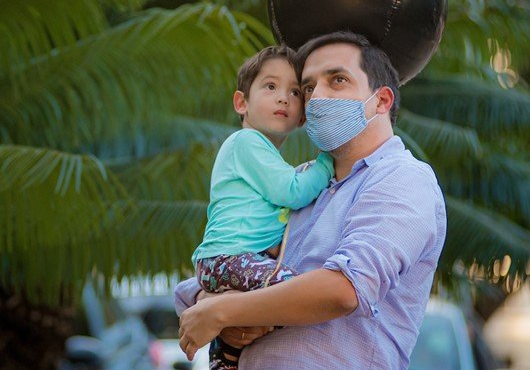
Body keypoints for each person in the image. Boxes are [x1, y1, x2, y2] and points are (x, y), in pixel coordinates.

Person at [176, 31, 447, 370]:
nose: (317, 96)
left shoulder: (402, 178)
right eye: (307, 88)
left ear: (382, 101)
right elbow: (225, 264)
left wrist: (223, 312)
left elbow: (345, 289)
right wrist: (212, 304)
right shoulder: (302, 179)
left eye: (337, 80)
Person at [192, 45, 335, 370]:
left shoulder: (266, 157)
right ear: (241, 102)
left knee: (263, 315)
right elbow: (293, 191)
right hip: (227, 259)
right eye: (270, 86)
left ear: (302, 114)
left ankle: (225, 357)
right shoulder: (247, 143)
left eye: (295, 92)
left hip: (230, 262)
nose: (283, 97)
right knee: (296, 292)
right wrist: (328, 159)